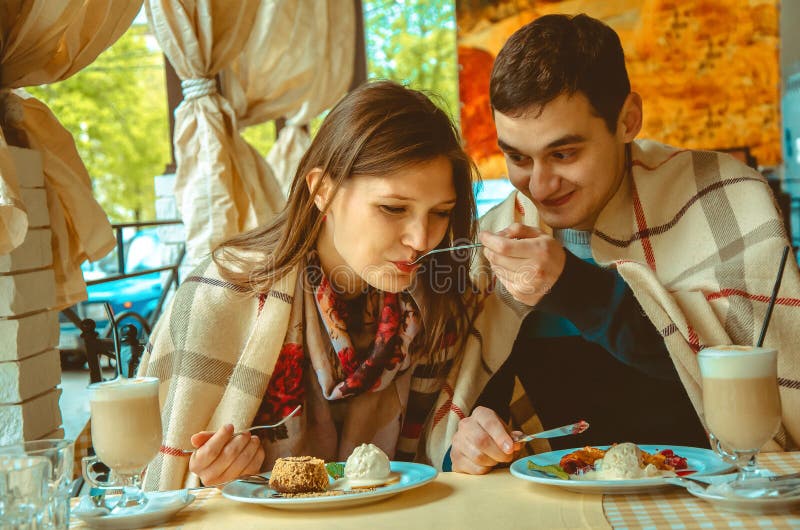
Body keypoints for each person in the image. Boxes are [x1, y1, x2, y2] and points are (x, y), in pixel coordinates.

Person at [450, 13, 800, 474]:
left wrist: (573, 287)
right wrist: (473, 437)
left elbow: (752, 384)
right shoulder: (497, 235)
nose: (538, 185)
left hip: (710, 495)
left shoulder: (725, 197)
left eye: (564, 153)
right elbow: (481, 405)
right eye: (516, 157)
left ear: (628, 119)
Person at [138, 80, 490, 490]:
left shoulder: (438, 302)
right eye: (393, 208)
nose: (421, 239)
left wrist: (466, 444)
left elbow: (437, 453)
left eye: (441, 213)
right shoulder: (224, 297)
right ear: (323, 190)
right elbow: (162, 479)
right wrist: (211, 476)